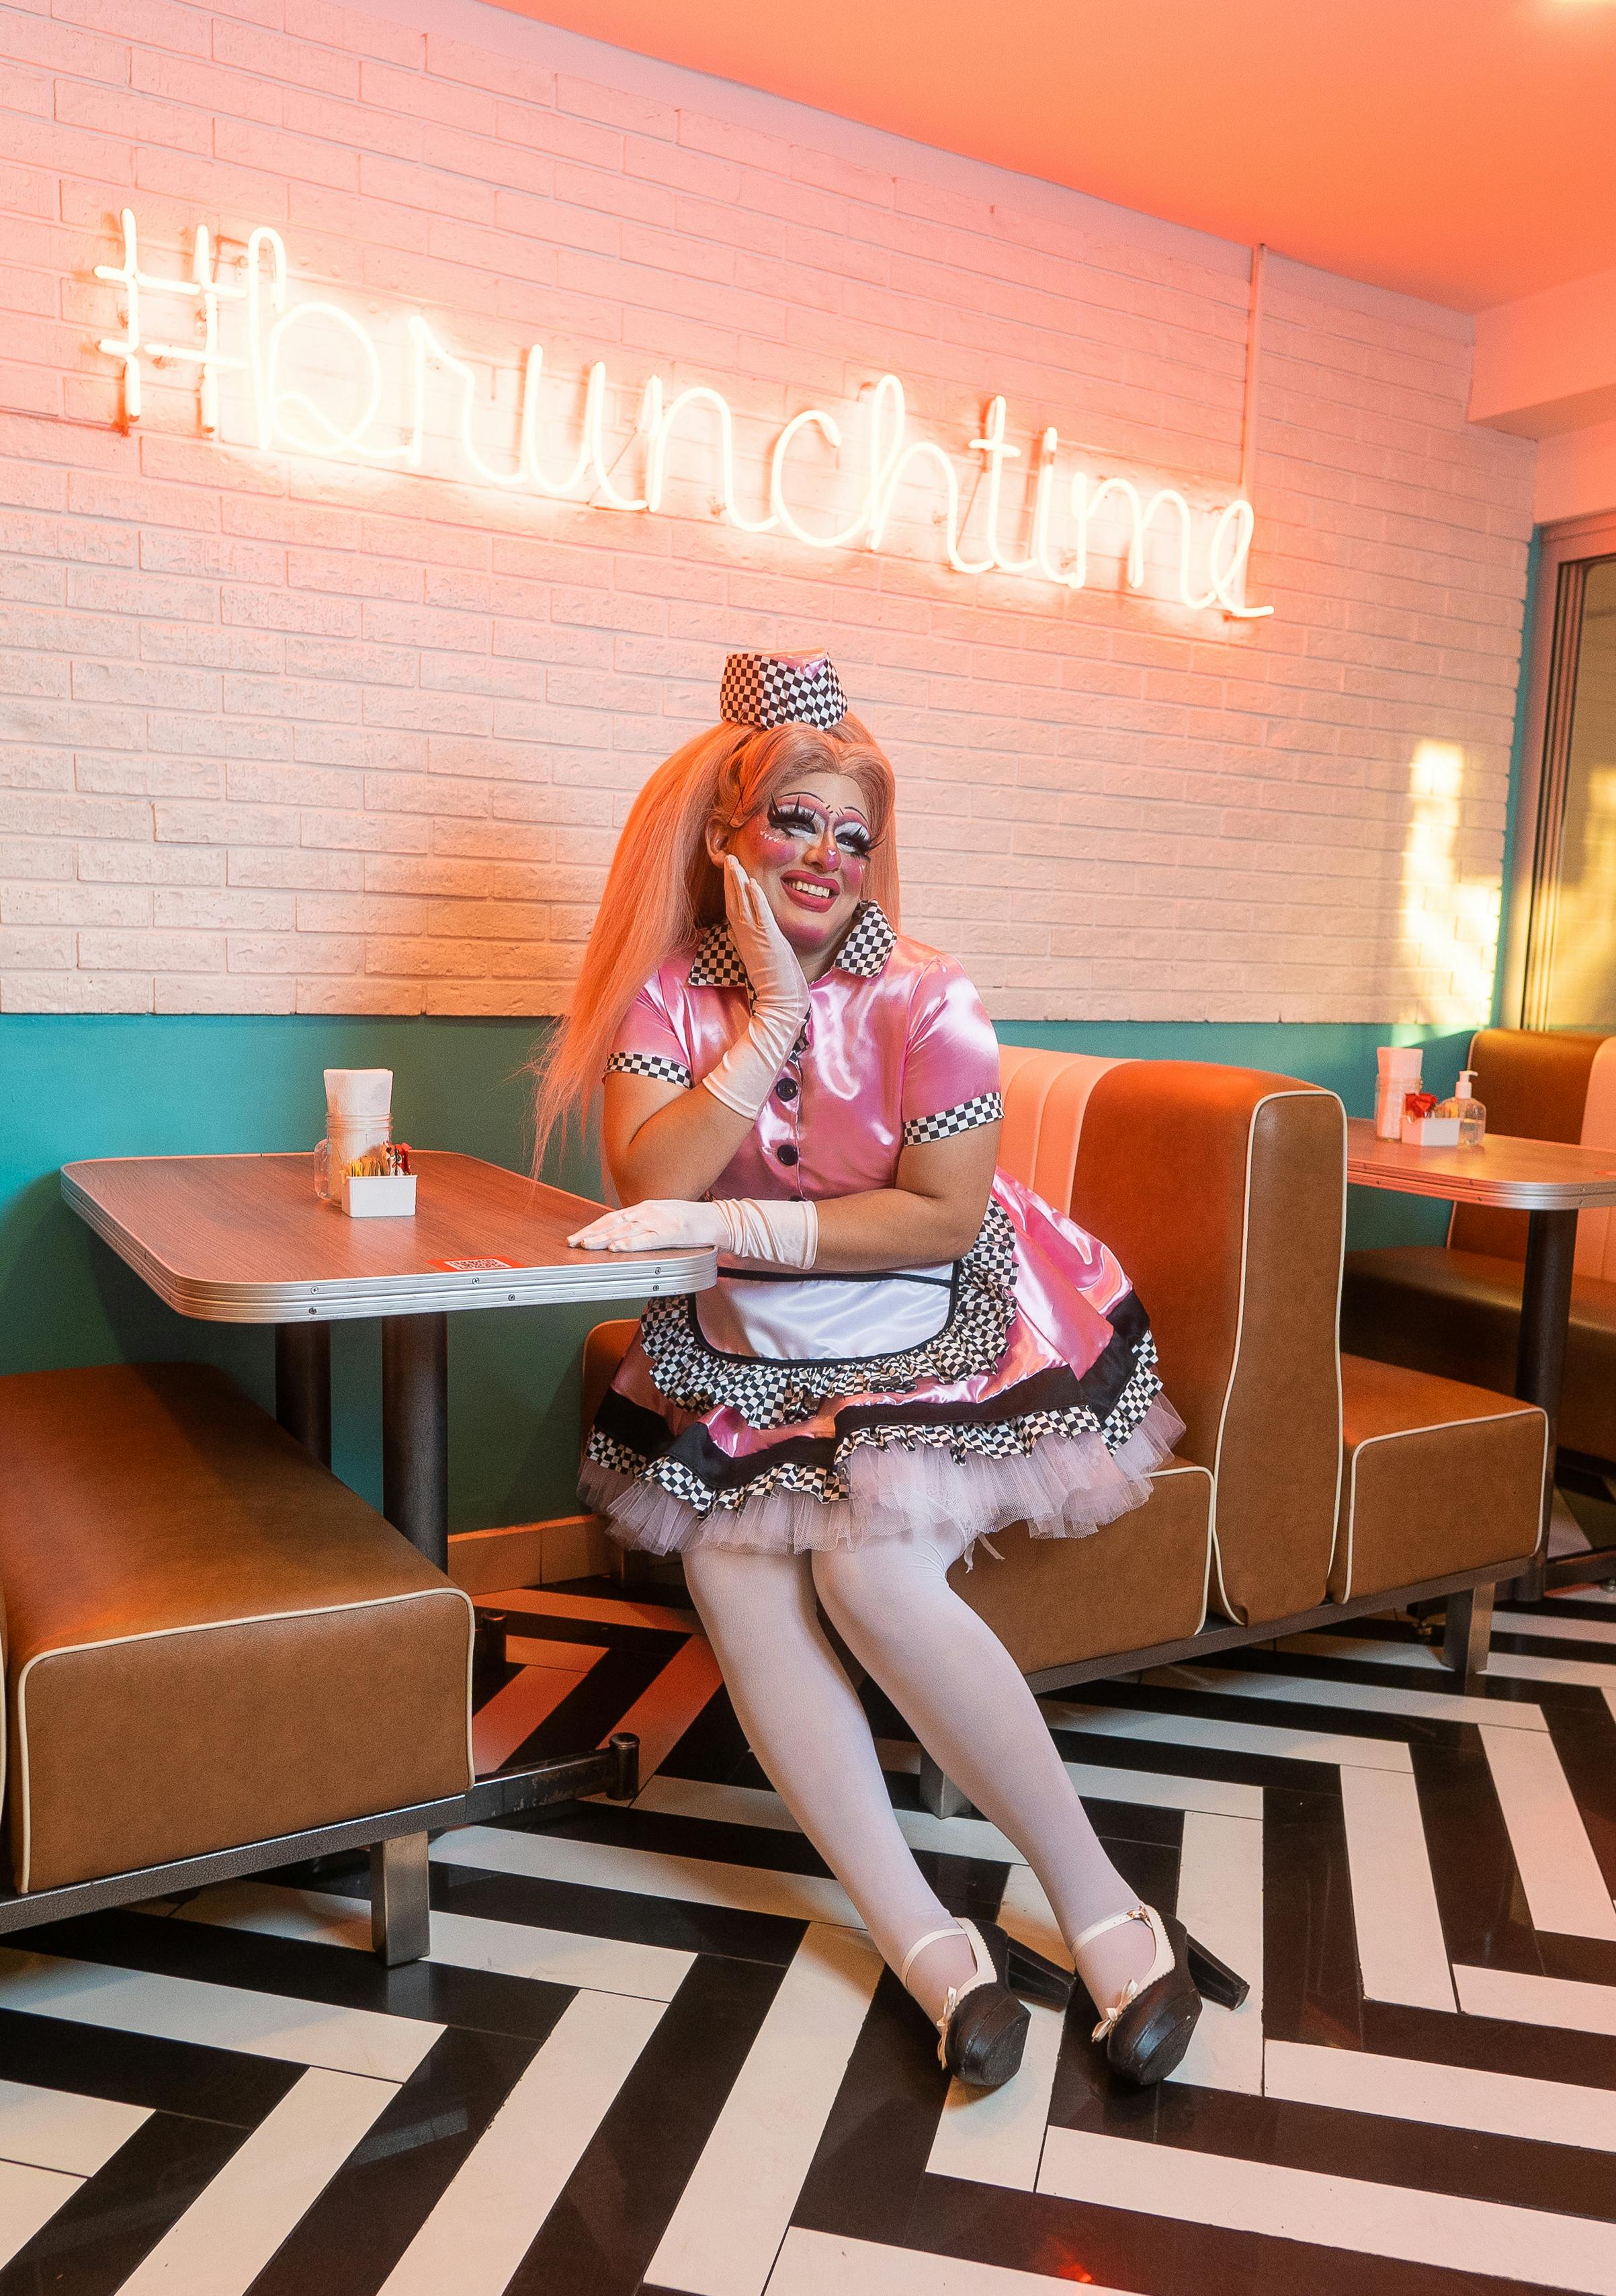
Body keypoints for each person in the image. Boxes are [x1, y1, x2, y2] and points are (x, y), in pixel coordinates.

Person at [538, 649, 1214, 2089]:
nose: (827, 857)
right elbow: (643, 1168)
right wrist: (769, 1017)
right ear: (729, 836)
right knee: (730, 1569)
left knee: (871, 1571)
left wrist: (722, 1221)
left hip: (955, 1321)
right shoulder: (671, 996)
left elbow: (943, 1213)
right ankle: (925, 1940)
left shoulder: (928, 994)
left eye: (852, 833)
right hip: (766, 1351)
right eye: (794, 821)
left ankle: (1103, 1908)